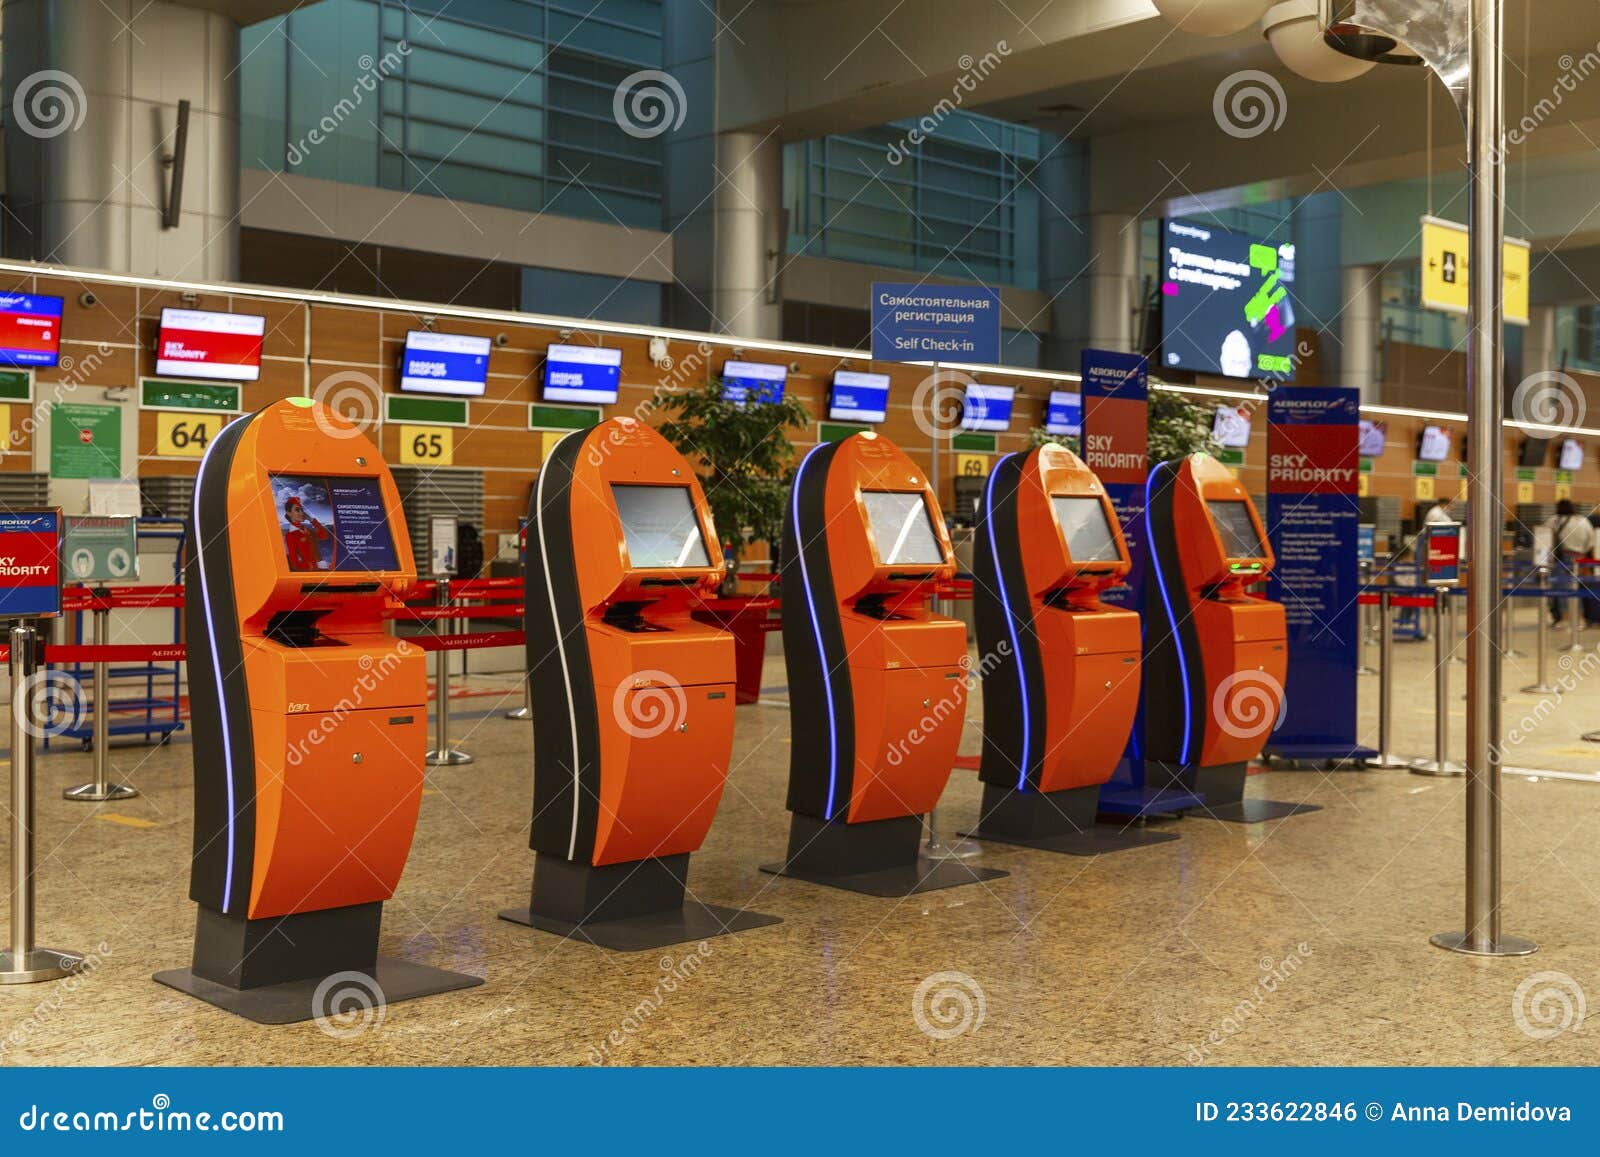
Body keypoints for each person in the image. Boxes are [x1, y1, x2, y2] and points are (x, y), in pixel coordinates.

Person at [1543, 499, 1594, 625]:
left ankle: (1563, 617)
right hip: (1580, 559)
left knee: (1560, 588)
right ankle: (1580, 617)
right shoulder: (1582, 520)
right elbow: (1591, 541)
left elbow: (1543, 538)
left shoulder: (1553, 520)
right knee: (1578, 588)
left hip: (1561, 558)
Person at [282, 496, 331, 571]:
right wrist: (314, 567)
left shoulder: (307, 530)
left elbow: (324, 536)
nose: (301, 513)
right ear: (289, 513)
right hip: (310, 572)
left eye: (302, 510)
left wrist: (311, 520)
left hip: (320, 569)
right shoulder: (290, 535)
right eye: (297, 510)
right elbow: (294, 562)